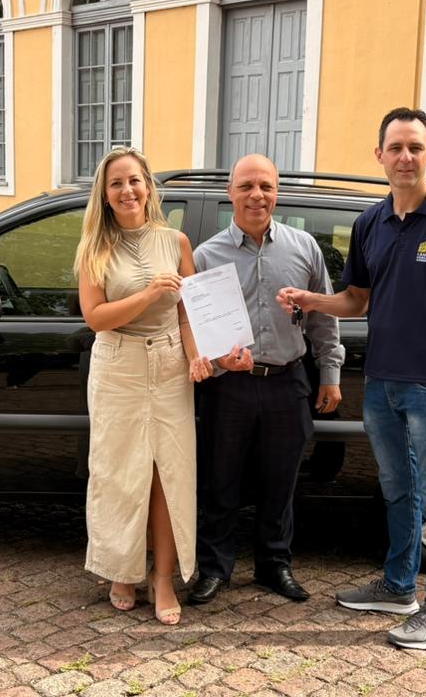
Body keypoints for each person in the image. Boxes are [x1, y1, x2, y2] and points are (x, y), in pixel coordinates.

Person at [277, 107, 426, 649]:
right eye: (395, 147)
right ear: (379, 155)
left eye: (414, 147)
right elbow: (357, 300)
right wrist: (311, 299)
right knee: (397, 489)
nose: (405, 157)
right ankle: (399, 587)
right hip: (381, 383)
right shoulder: (369, 223)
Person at [186, 154, 344, 606]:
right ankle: (214, 569)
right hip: (227, 388)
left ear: (277, 192)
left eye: (266, 186)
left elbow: (323, 317)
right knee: (220, 481)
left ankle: (274, 565)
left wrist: (329, 374)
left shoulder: (304, 248)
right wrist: (218, 362)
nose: (257, 195)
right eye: (247, 186)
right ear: (230, 194)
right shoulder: (206, 256)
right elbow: (194, 330)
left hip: (287, 382)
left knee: (281, 482)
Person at [75, 146, 212, 626]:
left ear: (149, 186)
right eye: (116, 183)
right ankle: (121, 570)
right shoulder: (94, 248)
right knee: (119, 473)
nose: (127, 190)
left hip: (170, 365)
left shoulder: (176, 242)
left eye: (134, 180)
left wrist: (196, 355)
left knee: (168, 475)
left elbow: (189, 311)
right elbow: (96, 317)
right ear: (105, 194)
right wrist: (150, 292)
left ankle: (163, 577)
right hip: (118, 366)